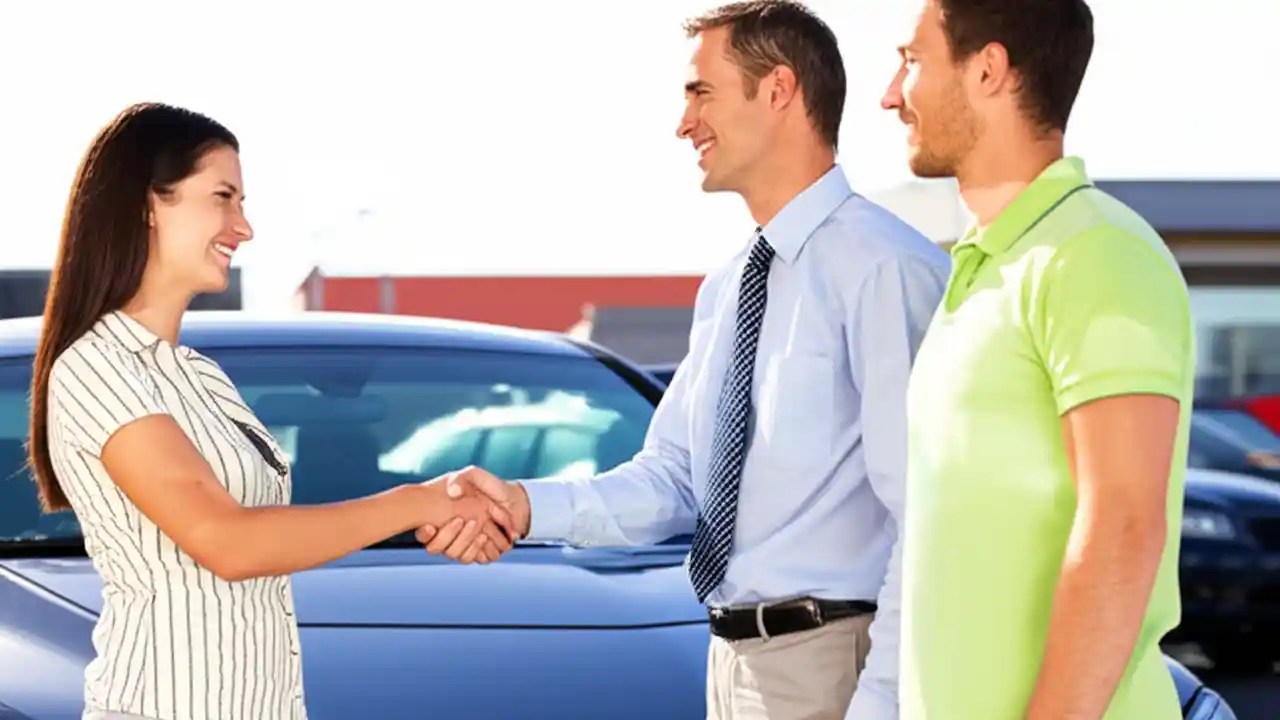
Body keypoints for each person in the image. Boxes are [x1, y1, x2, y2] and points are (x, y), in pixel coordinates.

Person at [419, 2, 950, 718]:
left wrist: (882, 704)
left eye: (701, 93)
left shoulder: (885, 269)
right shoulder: (730, 286)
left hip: (837, 668)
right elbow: (673, 481)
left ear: (779, 90)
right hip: (730, 665)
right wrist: (524, 505)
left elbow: (926, 517)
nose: (684, 122)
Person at [26, 102, 514, 720]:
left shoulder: (201, 377)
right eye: (223, 197)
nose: (243, 226)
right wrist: (423, 500)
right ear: (148, 205)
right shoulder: (96, 369)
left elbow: (270, 533)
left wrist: (451, 509)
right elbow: (227, 541)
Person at [881, 1, 1193, 718]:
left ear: (988, 69)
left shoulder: (1095, 253)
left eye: (913, 59)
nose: (892, 93)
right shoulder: (984, 267)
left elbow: (1123, 525)